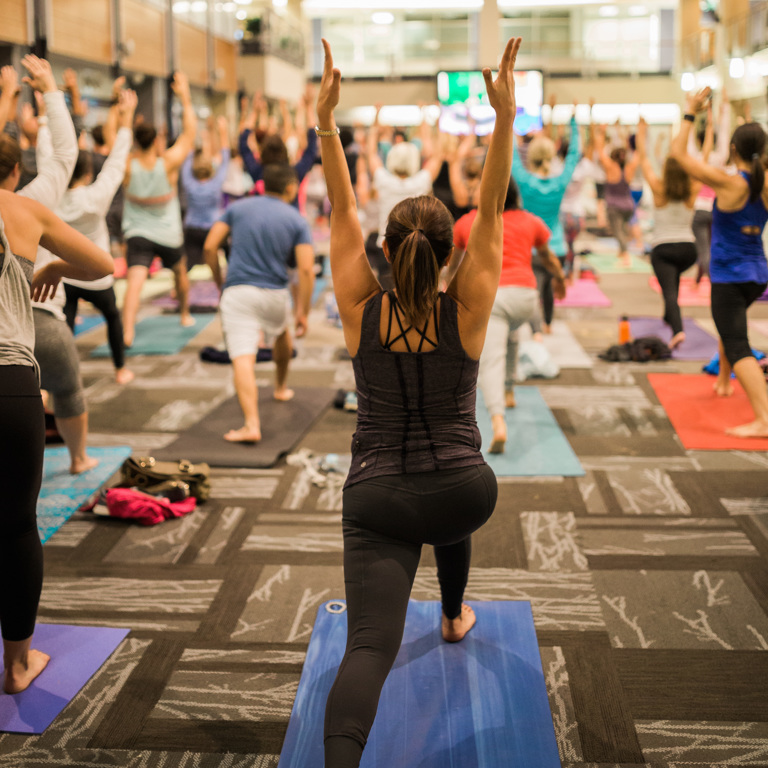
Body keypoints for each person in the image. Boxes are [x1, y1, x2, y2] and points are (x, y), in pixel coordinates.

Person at [317, 35, 521, 768]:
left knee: (368, 647)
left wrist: (326, 125)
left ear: (388, 246)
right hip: (466, 493)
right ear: (444, 252)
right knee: (449, 501)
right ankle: (454, 612)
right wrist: (503, 118)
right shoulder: (464, 308)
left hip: (379, 498)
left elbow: (341, 203)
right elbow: (491, 207)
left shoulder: (359, 307)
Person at [0, 125, 113, 695]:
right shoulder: (21, 211)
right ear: (14, 172)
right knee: (17, 527)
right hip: (9, 383)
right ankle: (17, 668)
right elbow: (101, 263)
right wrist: (53, 268)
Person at [670, 87, 768, 437]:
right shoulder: (763, 184)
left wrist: (690, 112)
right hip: (757, 274)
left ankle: (764, 418)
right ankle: (725, 380)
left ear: (732, 150)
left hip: (730, 276)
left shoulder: (730, 184)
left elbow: (678, 154)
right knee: (733, 326)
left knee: (738, 342)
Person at [203, 164, 315, 443]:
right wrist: (303, 311)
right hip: (276, 295)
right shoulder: (296, 219)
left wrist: (219, 280)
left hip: (239, 293)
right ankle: (280, 387)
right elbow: (306, 270)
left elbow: (209, 246)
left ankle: (252, 424)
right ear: (291, 188)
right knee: (281, 333)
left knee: (243, 357)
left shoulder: (238, 208)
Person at [453, 178, 565, 452]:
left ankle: (498, 421)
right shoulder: (530, 221)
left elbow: (454, 263)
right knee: (511, 332)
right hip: (527, 299)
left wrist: (447, 287)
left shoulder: (468, 222)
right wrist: (560, 278)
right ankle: (509, 390)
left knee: (491, 358)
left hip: (495, 297)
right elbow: (548, 257)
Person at [60, 89, 136, 385]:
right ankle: (120, 370)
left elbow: (47, 155)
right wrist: (126, 119)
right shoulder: (94, 198)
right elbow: (116, 163)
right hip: (96, 274)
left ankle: (55, 383)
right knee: (112, 317)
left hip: (64, 275)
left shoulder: (53, 197)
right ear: (89, 173)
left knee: (63, 327)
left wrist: (45, 117)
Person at [121, 71, 197, 347]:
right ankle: (185, 313)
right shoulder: (168, 164)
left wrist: (124, 115)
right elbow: (189, 135)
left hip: (138, 233)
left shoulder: (127, 165)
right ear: (156, 140)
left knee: (135, 283)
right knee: (180, 274)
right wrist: (185, 98)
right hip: (167, 234)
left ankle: (127, 331)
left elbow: (113, 137)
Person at [512, 101, 579, 333]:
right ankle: (548, 325)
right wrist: (573, 120)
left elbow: (511, 156)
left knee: (534, 291)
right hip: (557, 250)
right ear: (550, 155)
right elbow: (573, 156)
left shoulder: (524, 181)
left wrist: (509, 121)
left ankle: (536, 331)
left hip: (530, 249)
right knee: (549, 287)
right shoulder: (559, 182)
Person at [636, 117, 698, 350]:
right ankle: (666, 316)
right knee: (671, 280)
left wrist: (641, 134)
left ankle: (678, 330)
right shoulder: (692, 189)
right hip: (688, 251)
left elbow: (644, 160)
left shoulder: (658, 188)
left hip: (663, 249)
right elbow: (701, 161)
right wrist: (708, 130)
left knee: (669, 291)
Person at [366, 106, 444, 290]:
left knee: (389, 296)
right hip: (416, 246)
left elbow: (371, 153)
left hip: (386, 247)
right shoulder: (421, 181)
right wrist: (433, 124)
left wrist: (376, 122)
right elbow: (438, 155)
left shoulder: (383, 180)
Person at [181, 116, 230, 271]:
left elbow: (187, 156)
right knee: (228, 253)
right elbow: (226, 157)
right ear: (210, 169)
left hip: (192, 229)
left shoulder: (189, 182)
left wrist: (191, 131)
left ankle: (179, 288)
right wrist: (223, 132)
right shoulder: (215, 183)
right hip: (212, 228)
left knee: (187, 264)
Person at [595, 125, 641, 267]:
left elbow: (600, 151)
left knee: (618, 232)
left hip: (615, 206)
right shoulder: (629, 168)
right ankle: (622, 252)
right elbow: (638, 153)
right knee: (623, 230)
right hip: (628, 206)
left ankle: (626, 256)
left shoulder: (611, 168)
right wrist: (640, 133)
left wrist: (602, 132)